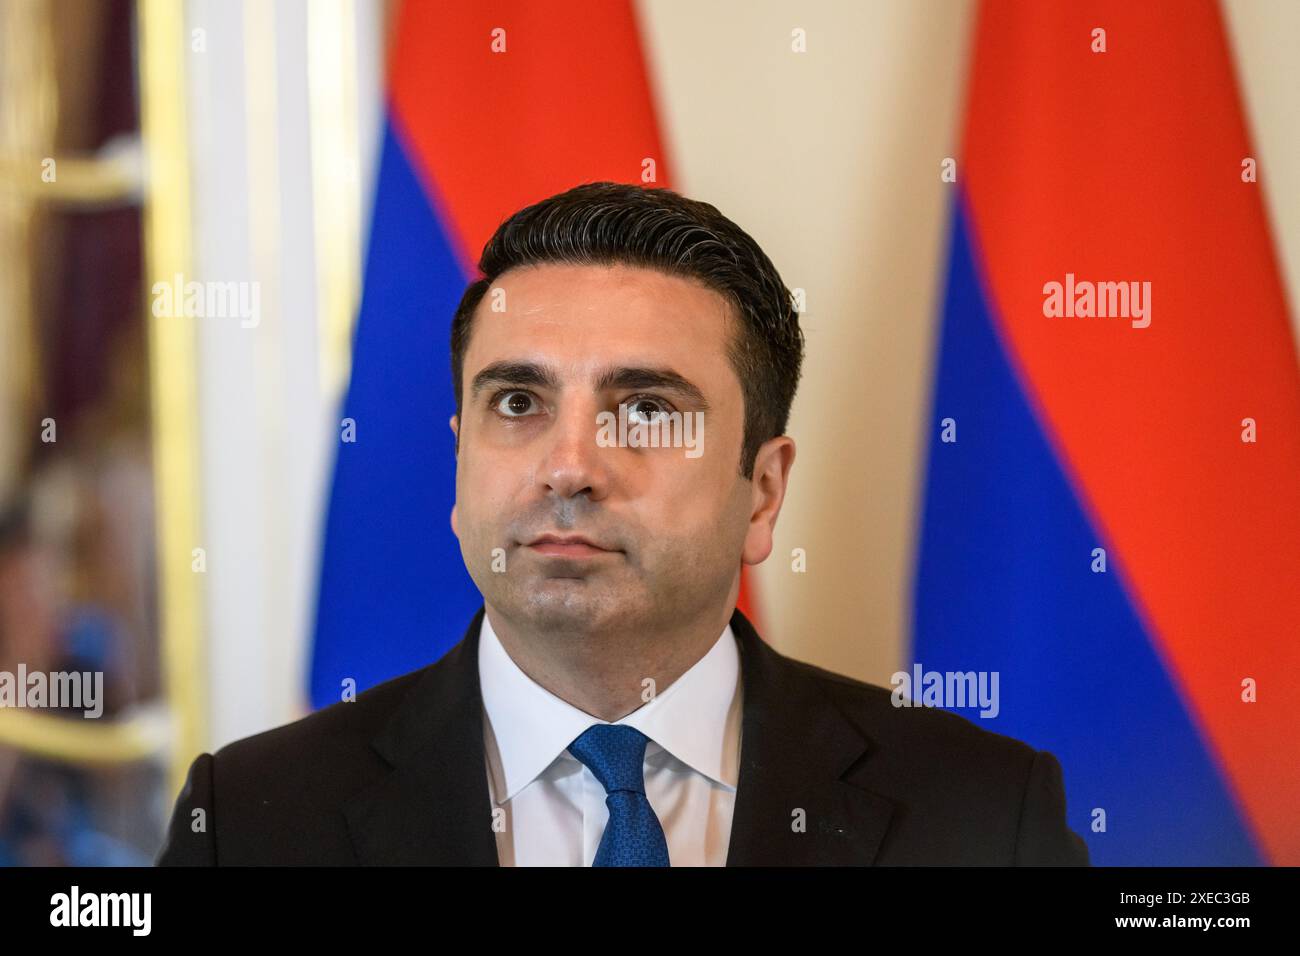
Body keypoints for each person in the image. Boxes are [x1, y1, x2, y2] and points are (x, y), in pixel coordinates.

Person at [157, 182, 1089, 866]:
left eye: (646, 410)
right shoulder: (248, 824)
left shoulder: (984, 816)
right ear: (459, 463)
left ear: (762, 492)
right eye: (517, 402)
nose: (568, 465)